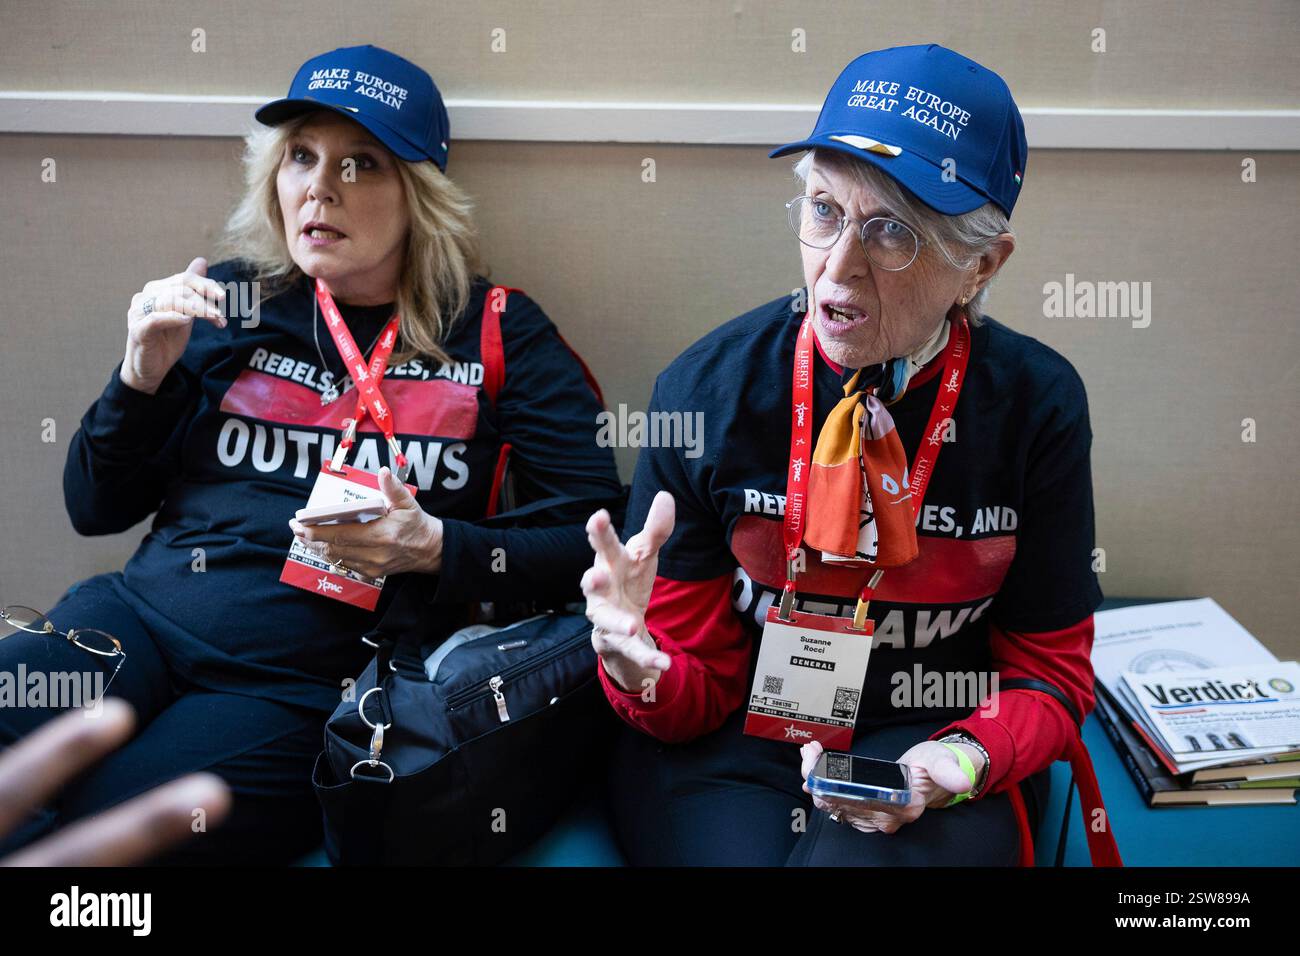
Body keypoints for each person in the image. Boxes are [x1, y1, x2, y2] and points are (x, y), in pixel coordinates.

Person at [0, 44, 622, 865]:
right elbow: (95, 508)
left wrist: (440, 549)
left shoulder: (500, 331)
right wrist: (139, 377)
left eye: (360, 164)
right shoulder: (231, 301)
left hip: (294, 686)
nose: (319, 188)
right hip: (136, 619)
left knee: (104, 836)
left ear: (418, 194)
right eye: (301, 156)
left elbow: (591, 535)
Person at [582, 44, 1111, 866]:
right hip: (738, 735)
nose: (837, 268)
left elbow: (1049, 674)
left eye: (892, 232)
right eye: (824, 209)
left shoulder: (1037, 405)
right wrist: (635, 667)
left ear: (980, 266)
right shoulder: (703, 391)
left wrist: (959, 760)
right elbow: (694, 693)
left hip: (937, 727)